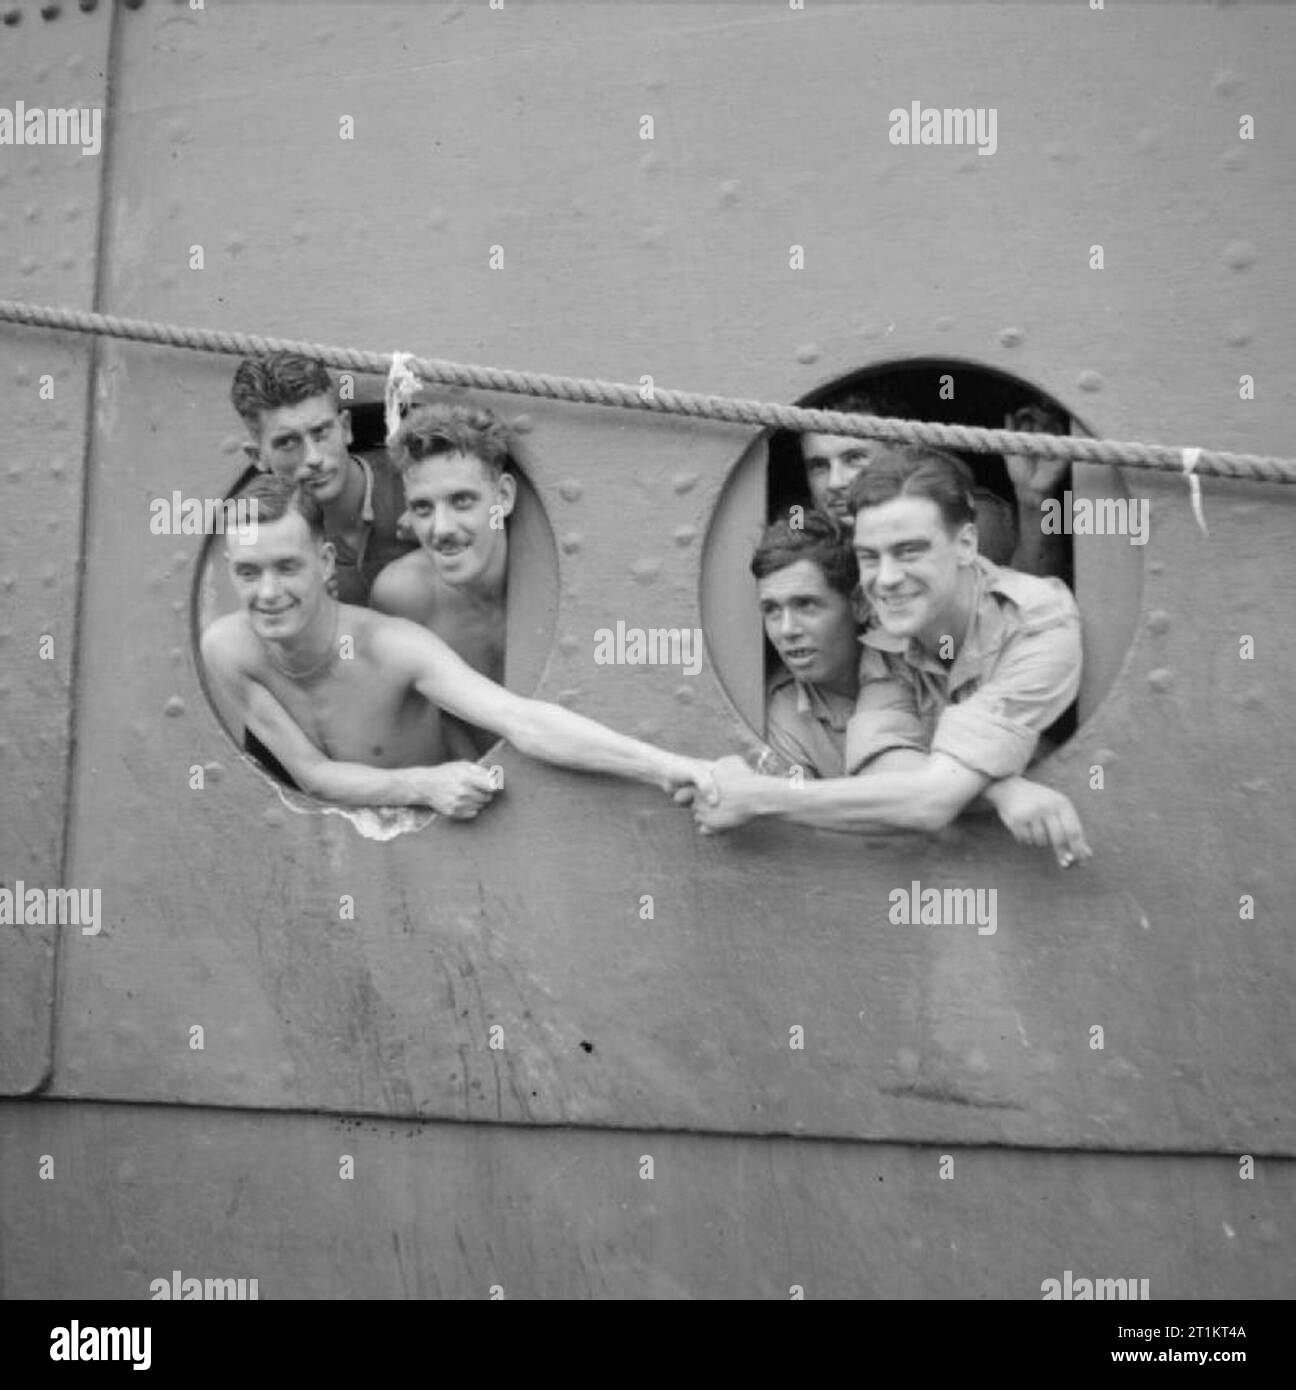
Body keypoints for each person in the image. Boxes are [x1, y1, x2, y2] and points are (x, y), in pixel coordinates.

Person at [201, 475, 716, 817]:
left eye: (287, 567)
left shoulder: (392, 647)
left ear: (326, 562)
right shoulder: (228, 649)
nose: (268, 593)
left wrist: (667, 766)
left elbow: (521, 718)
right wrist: (422, 785)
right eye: (249, 572)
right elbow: (312, 775)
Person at [691, 445, 1090, 866]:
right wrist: (999, 788)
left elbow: (929, 803)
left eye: (908, 551)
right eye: (869, 557)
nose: (886, 579)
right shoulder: (890, 635)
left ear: (967, 543)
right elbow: (882, 760)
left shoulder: (1037, 622)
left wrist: (755, 796)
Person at [797, 384, 1068, 577]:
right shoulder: (805, 534)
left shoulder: (965, 517)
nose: (834, 482)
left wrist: (1033, 500)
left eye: (854, 458)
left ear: (902, 454)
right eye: (819, 466)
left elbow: (1026, 611)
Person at [371, 404, 515, 753]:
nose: (442, 529)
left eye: (462, 501)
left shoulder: (546, 572)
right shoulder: (402, 595)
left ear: (504, 497)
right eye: (423, 508)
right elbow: (422, 716)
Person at [230, 352, 415, 605]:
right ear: (258, 457)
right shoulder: (267, 539)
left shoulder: (414, 485)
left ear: (346, 428)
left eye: (320, 433)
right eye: (287, 442)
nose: (313, 458)